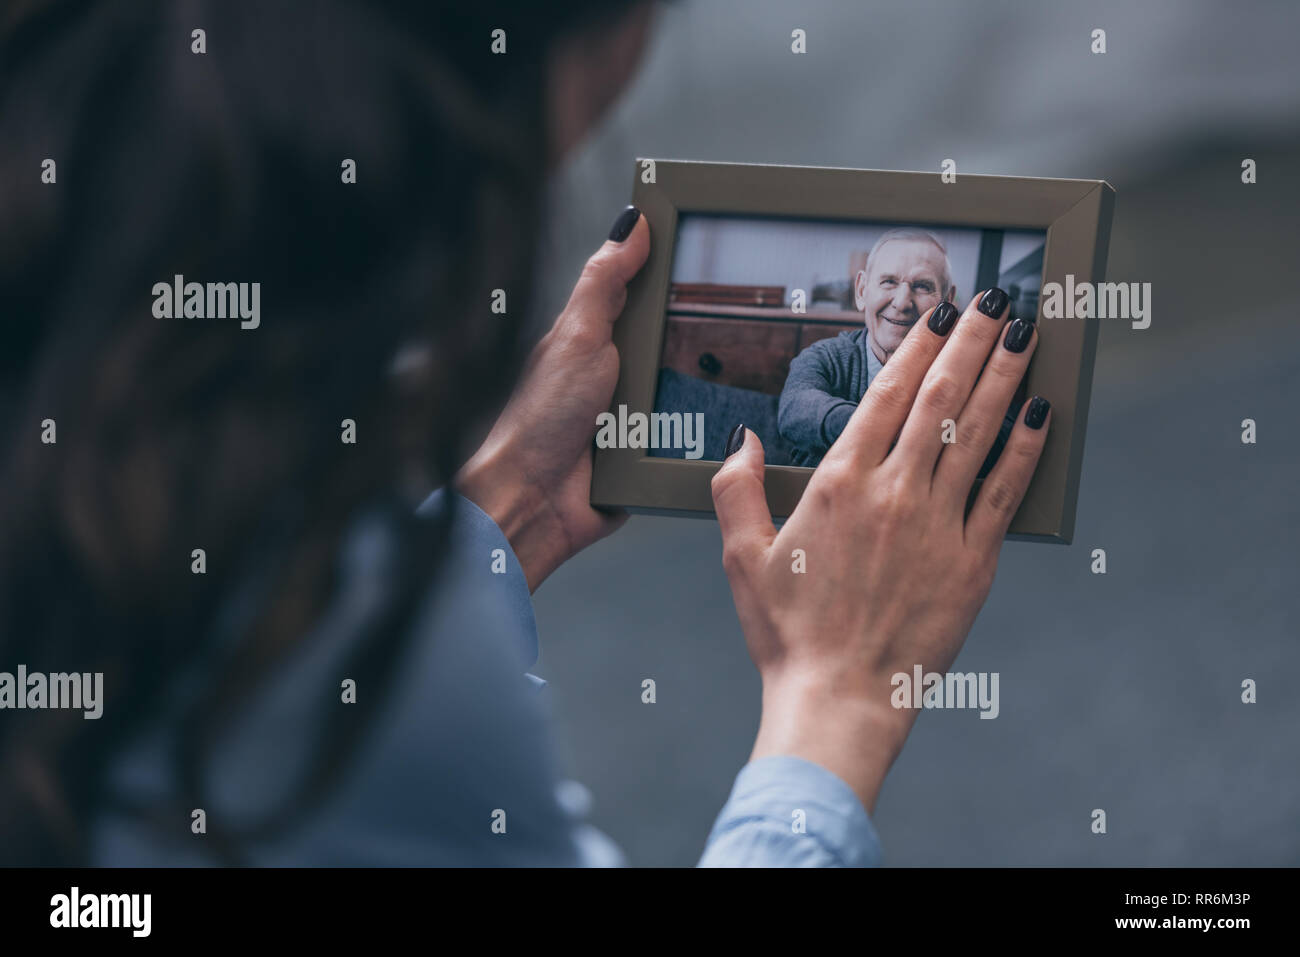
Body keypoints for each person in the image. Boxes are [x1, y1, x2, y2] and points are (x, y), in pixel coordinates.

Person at [0, 0, 1049, 867]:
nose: (910, 303)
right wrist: (842, 698)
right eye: (893, 283)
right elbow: (810, 412)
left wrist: (499, 519)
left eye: (929, 287)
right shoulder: (365, 646)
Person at [777, 228, 964, 467]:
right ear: (862, 291)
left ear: (947, 302)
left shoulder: (963, 368)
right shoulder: (824, 357)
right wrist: (903, 433)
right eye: (889, 282)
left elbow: (997, 434)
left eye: (922, 286)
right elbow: (795, 410)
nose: (902, 302)